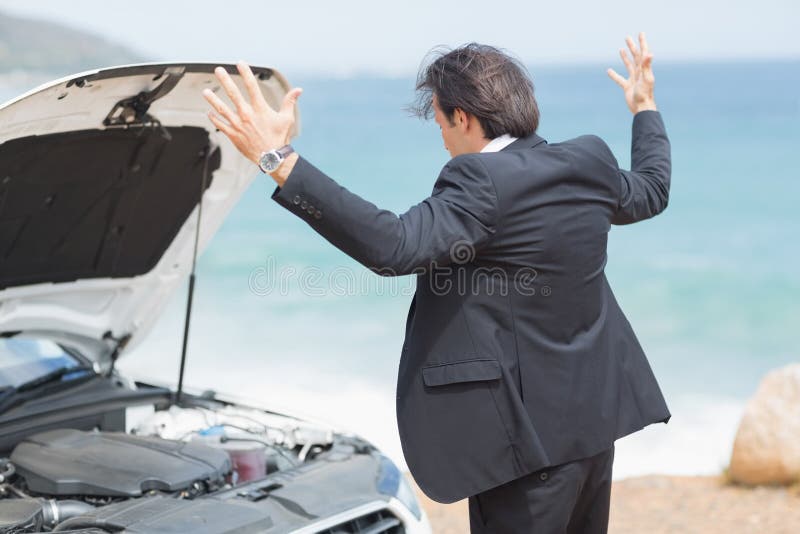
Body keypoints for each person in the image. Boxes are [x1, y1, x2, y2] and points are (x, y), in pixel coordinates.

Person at [203, 32, 671, 534]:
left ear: (462, 118)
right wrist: (644, 108)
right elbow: (652, 189)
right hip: (593, 430)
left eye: (440, 120)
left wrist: (278, 159)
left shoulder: (481, 180)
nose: (442, 136)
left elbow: (394, 245)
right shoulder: (588, 161)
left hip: (528, 452)